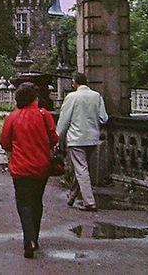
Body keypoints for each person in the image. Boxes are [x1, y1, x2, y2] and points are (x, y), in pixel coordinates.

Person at [0, 82, 58, 259]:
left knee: (23, 203)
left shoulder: (13, 117)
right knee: (37, 201)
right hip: (41, 166)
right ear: (34, 98)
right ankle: (35, 237)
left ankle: (29, 240)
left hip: (20, 166)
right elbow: (54, 138)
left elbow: (4, 142)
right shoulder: (44, 115)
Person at [56, 72, 108, 212]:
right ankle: (72, 196)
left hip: (76, 139)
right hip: (92, 138)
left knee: (81, 170)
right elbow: (104, 118)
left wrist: (56, 139)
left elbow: (64, 120)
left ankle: (89, 202)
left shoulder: (72, 97)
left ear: (74, 82)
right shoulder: (96, 96)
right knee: (82, 169)